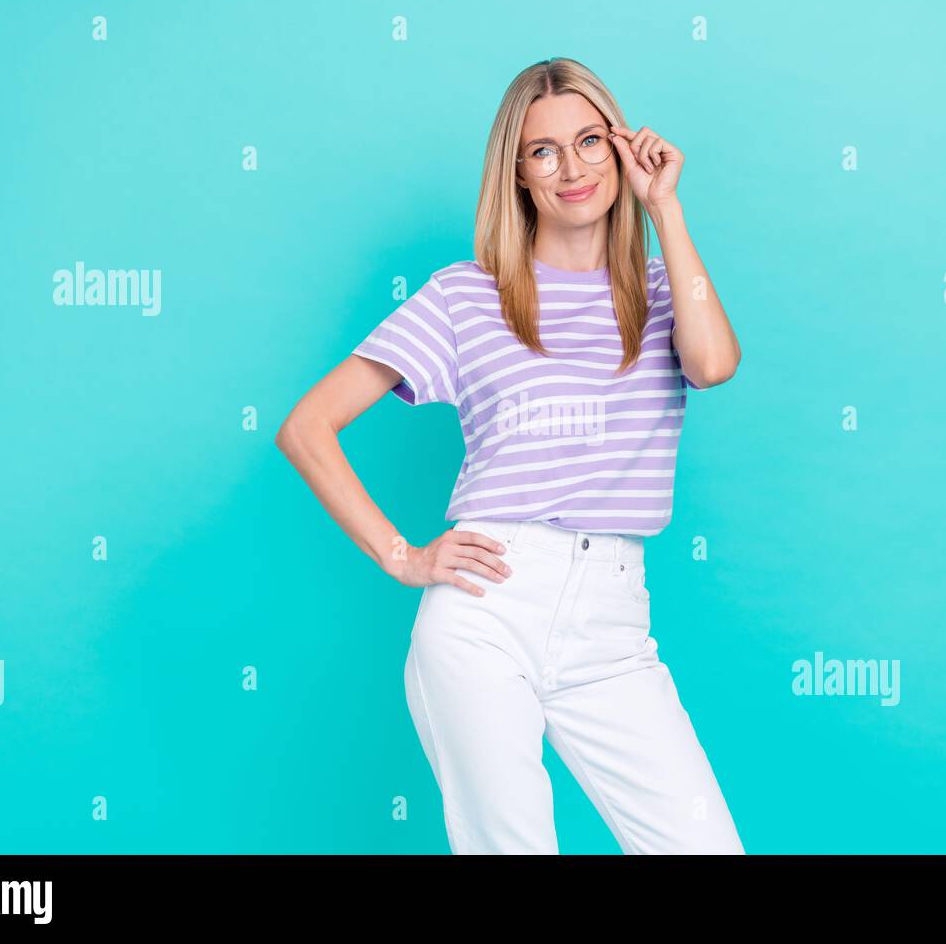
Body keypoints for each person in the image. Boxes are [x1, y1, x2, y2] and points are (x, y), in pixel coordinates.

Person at [276, 56, 743, 854]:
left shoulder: (662, 290)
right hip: (489, 610)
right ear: (518, 173)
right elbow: (306, 426)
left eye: (591, 141)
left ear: (621, 149)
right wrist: (403, 557)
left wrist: (664, 208)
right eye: (543, 151)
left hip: (614, 622)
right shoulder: (468, 294)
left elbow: (711, 364)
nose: (572, 168)